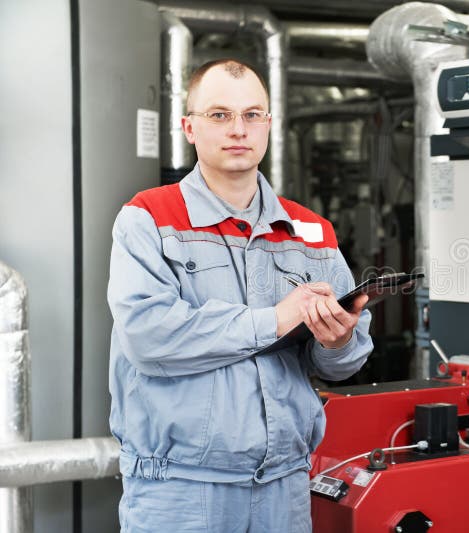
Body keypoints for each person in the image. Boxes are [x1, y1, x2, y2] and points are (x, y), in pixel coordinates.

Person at [107, 59, 372, 533]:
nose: (238, 129)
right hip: (182, 491)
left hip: (285, 487)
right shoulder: (148, 218)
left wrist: (337, 340)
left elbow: (339, 365)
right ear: (189, 127)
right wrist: (275, 319)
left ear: (270, 125)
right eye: (219, 115)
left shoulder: (311, 233)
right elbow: (149, 338)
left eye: (253, 115)